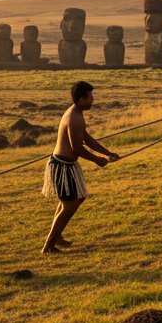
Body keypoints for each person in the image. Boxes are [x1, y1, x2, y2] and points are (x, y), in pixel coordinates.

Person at [41, 81, 120, 254]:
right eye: (90, 97)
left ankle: (57, 236)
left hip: (67, 165)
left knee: (76, 199)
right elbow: (76, 147)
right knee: (69, 205)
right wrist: (96, 160)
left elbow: (86, 138)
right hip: (62, 166)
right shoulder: (74, 117)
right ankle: (48, 245)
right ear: (82, 99)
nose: (93, 100)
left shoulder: (77, 113)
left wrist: (108, 153)